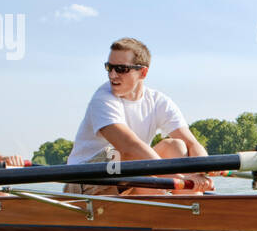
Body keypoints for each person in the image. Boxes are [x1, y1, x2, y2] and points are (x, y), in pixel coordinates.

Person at [65, 38, 213, 195]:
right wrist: (180, 179)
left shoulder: (159, 101)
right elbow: (129, 148)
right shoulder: (103, 99)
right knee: (123, 153)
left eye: (121, 69)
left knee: (176, 146)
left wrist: (202, 172)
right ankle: (165, 205)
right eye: (109, 68)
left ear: (143, 72)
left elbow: (192, 144)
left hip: (130, 176)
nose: (112, 75)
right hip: (86, 181)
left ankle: (186, 209)